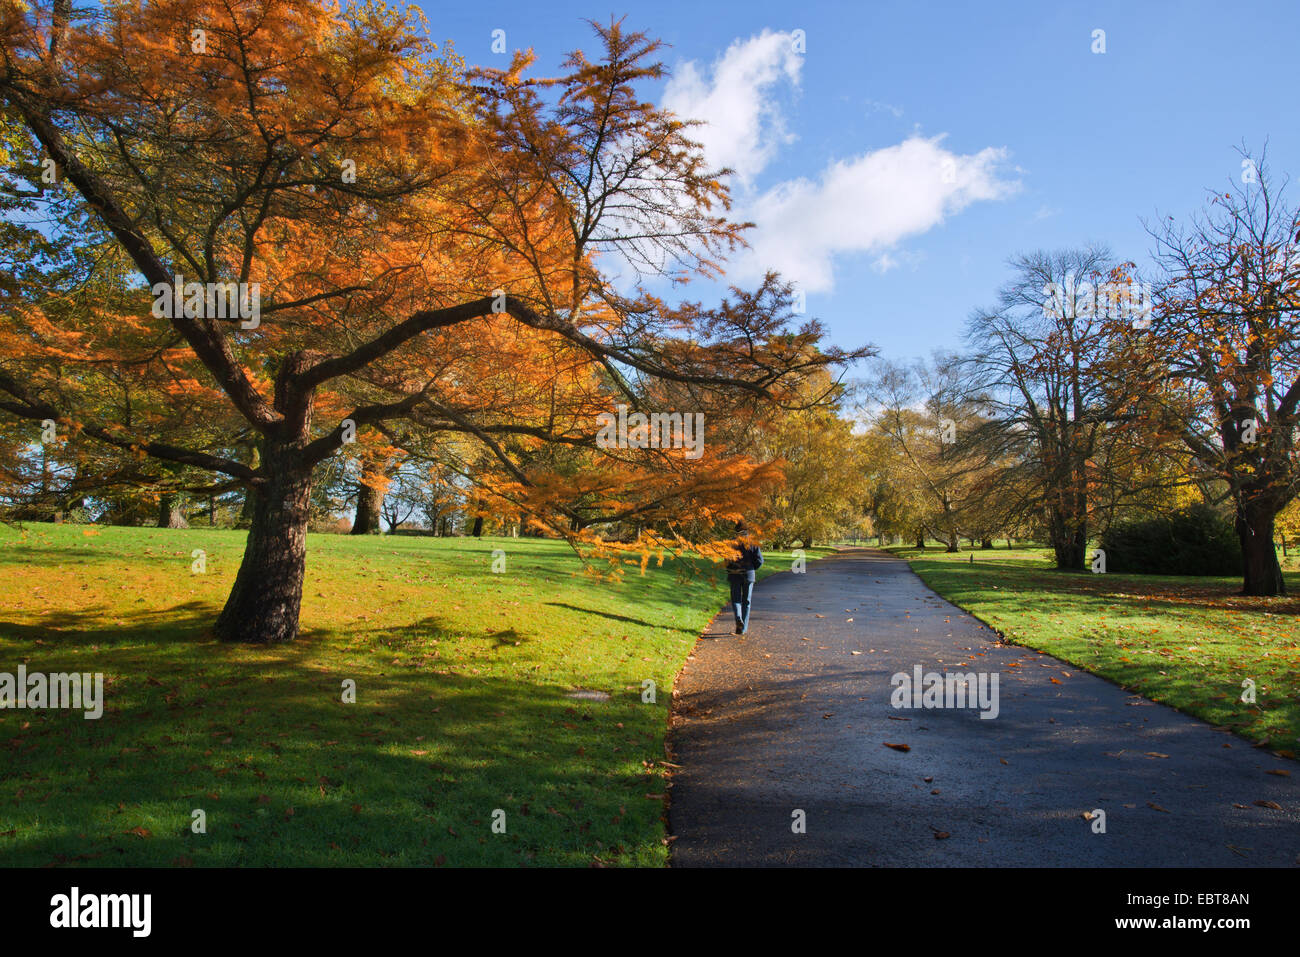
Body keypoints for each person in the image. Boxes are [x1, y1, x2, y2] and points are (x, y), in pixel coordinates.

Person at [725, 520, 763, 635]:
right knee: (746, 601)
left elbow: (726, 560)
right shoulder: (753, 542)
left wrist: (729, 568)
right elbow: (760, 561)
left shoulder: (731, 543)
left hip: (734, 573)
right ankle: (743, 628)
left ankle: (738, 618)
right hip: (749, 574)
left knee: (736, 599)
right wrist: (752, 568)